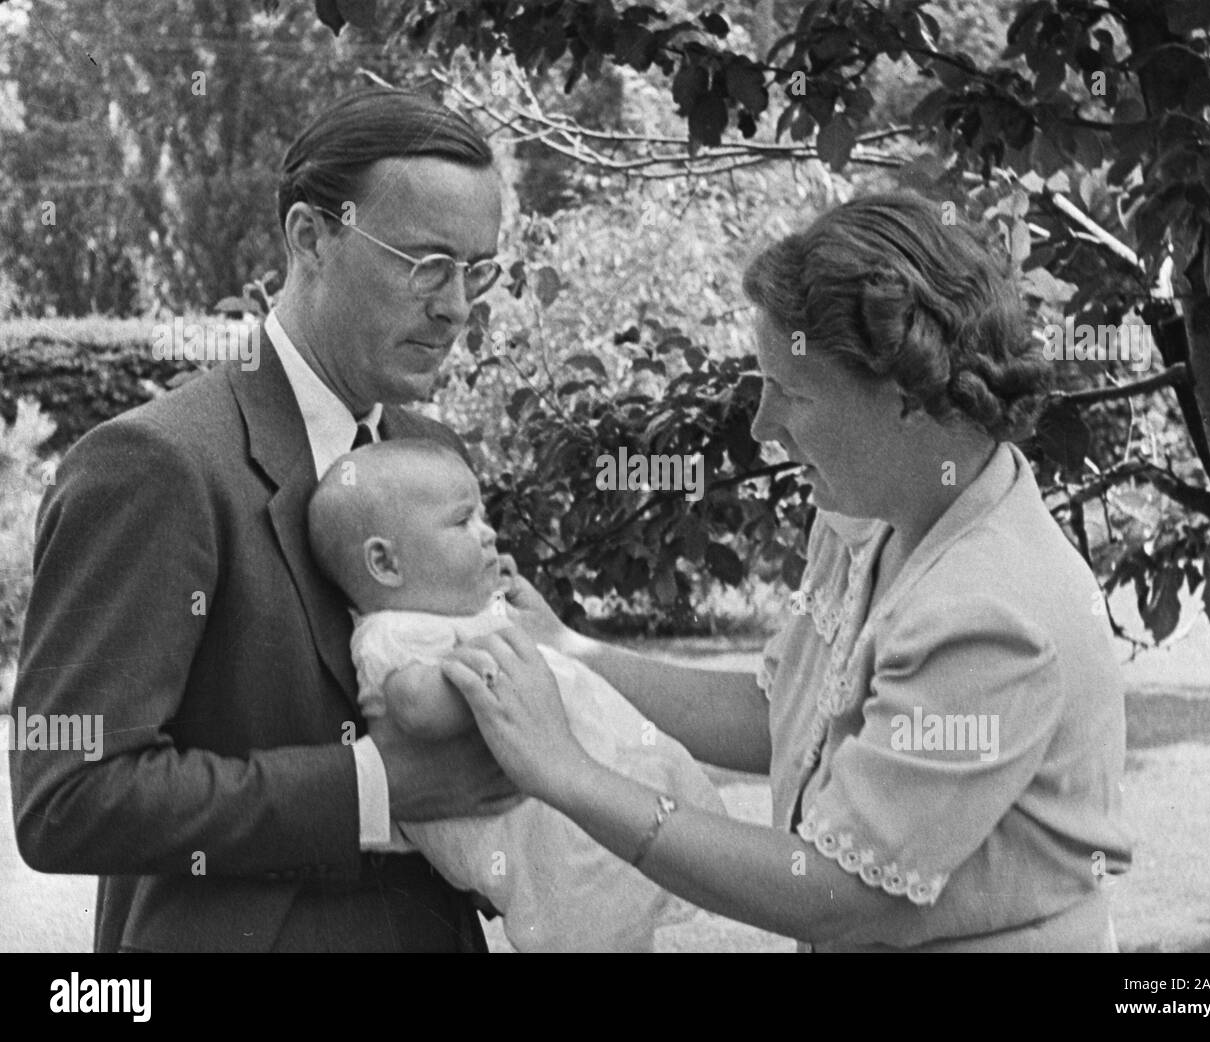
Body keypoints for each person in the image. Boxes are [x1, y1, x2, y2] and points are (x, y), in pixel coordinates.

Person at [442, 192, 1134, 952]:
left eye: (794, 393)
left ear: (907, 400)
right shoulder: (867, 517)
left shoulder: (992, 614)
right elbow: (785, 716)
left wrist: (566, 774)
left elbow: (838, 892)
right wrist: (570, 653)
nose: (762, 426)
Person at [10, 87, 516, 952]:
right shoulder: (156, 463)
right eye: (427, 263)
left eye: (478, 270)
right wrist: (368, 789)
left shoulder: (430, 450)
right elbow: (68, 796)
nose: (457, 307)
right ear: (309, 238)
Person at [306, 438, 724, 951]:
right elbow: (414, 708)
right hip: (514, 824)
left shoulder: (459, 616)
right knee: (585, 917)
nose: (488, 534)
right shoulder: (392, 633)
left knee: (615, 913)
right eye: (463, 522)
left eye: (483, 517)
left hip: (563, 812)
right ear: (386, 564)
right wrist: (492, 676)